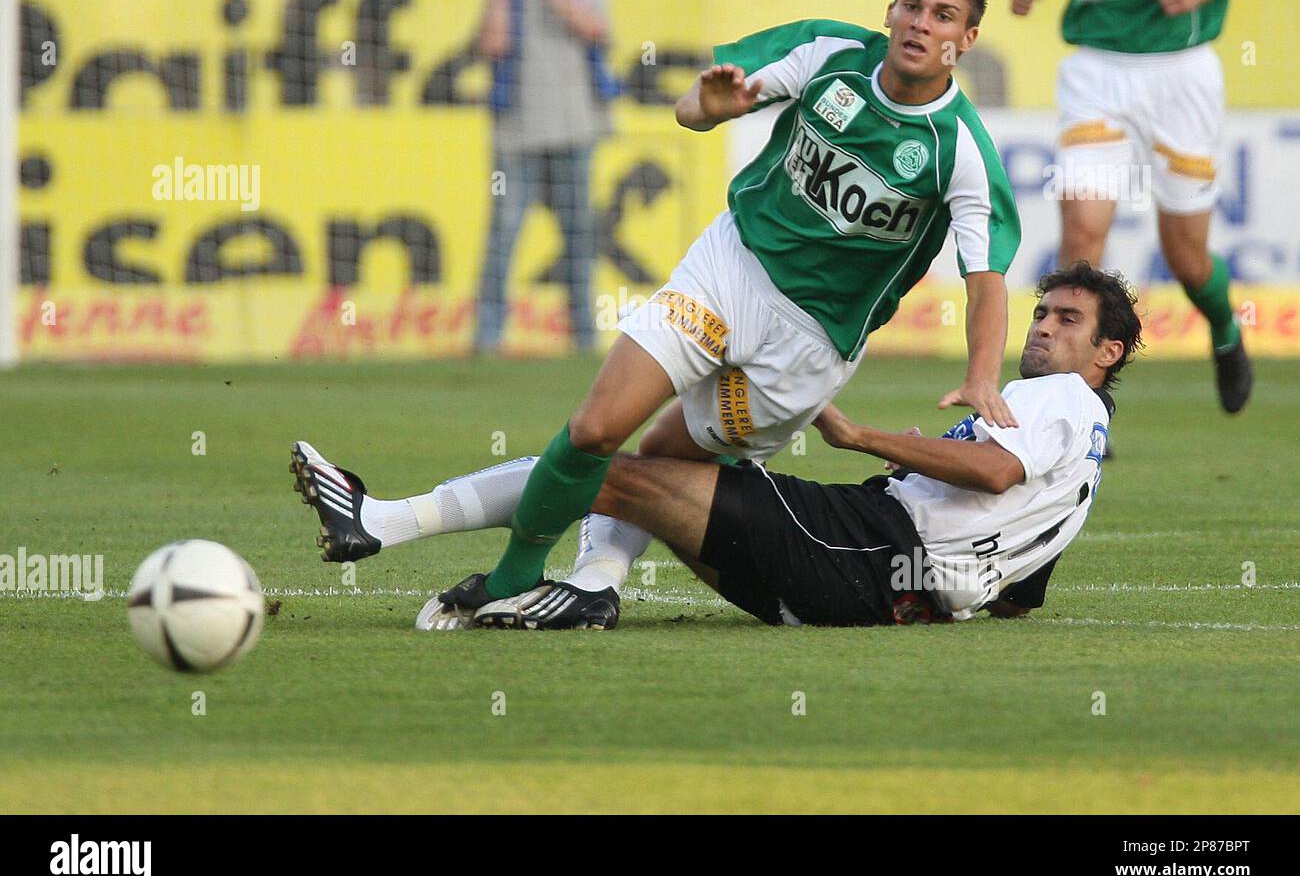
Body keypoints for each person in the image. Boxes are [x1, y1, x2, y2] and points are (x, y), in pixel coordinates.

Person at [292, 0, 1022, 629]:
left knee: (651, 465)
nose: (922, 23)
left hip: (806, 349)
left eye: (943, 15)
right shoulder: (833, 54)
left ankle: (592, 581)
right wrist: (711, 107)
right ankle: (502, 569)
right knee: (596, 429)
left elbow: (985, 278)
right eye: (912, 5)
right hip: (732, 266)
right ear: (890, 11)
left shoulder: (957, 149)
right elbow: (695, 108)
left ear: (969, 36)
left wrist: (982, 376)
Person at [292, 263, 1141, 630]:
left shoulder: (1058, 396)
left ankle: (383, 521)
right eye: (1042, 312)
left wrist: (860, 435)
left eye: (1068, 320)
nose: (1043, 328)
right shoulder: (1085, 450)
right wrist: (955, 596)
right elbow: (1022, 582)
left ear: (1107, 353)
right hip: (856, 582)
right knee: (676, 453)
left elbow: (995, 468)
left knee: (614, 466)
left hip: (864, 547)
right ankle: (592, 584)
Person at [1013, 0, 1274, 414]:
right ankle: (1063, 403)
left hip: (1181, 73)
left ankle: (1225, 329)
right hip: (1096, 75)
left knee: (1185, 255)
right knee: (1080, 239)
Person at [474, 0, 616, 354]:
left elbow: (591, 28)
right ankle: (487, 338)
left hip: (573, 131)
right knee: (503, 238)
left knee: (578, 240)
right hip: (518, 135)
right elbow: (492, 45)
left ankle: (583, 339)